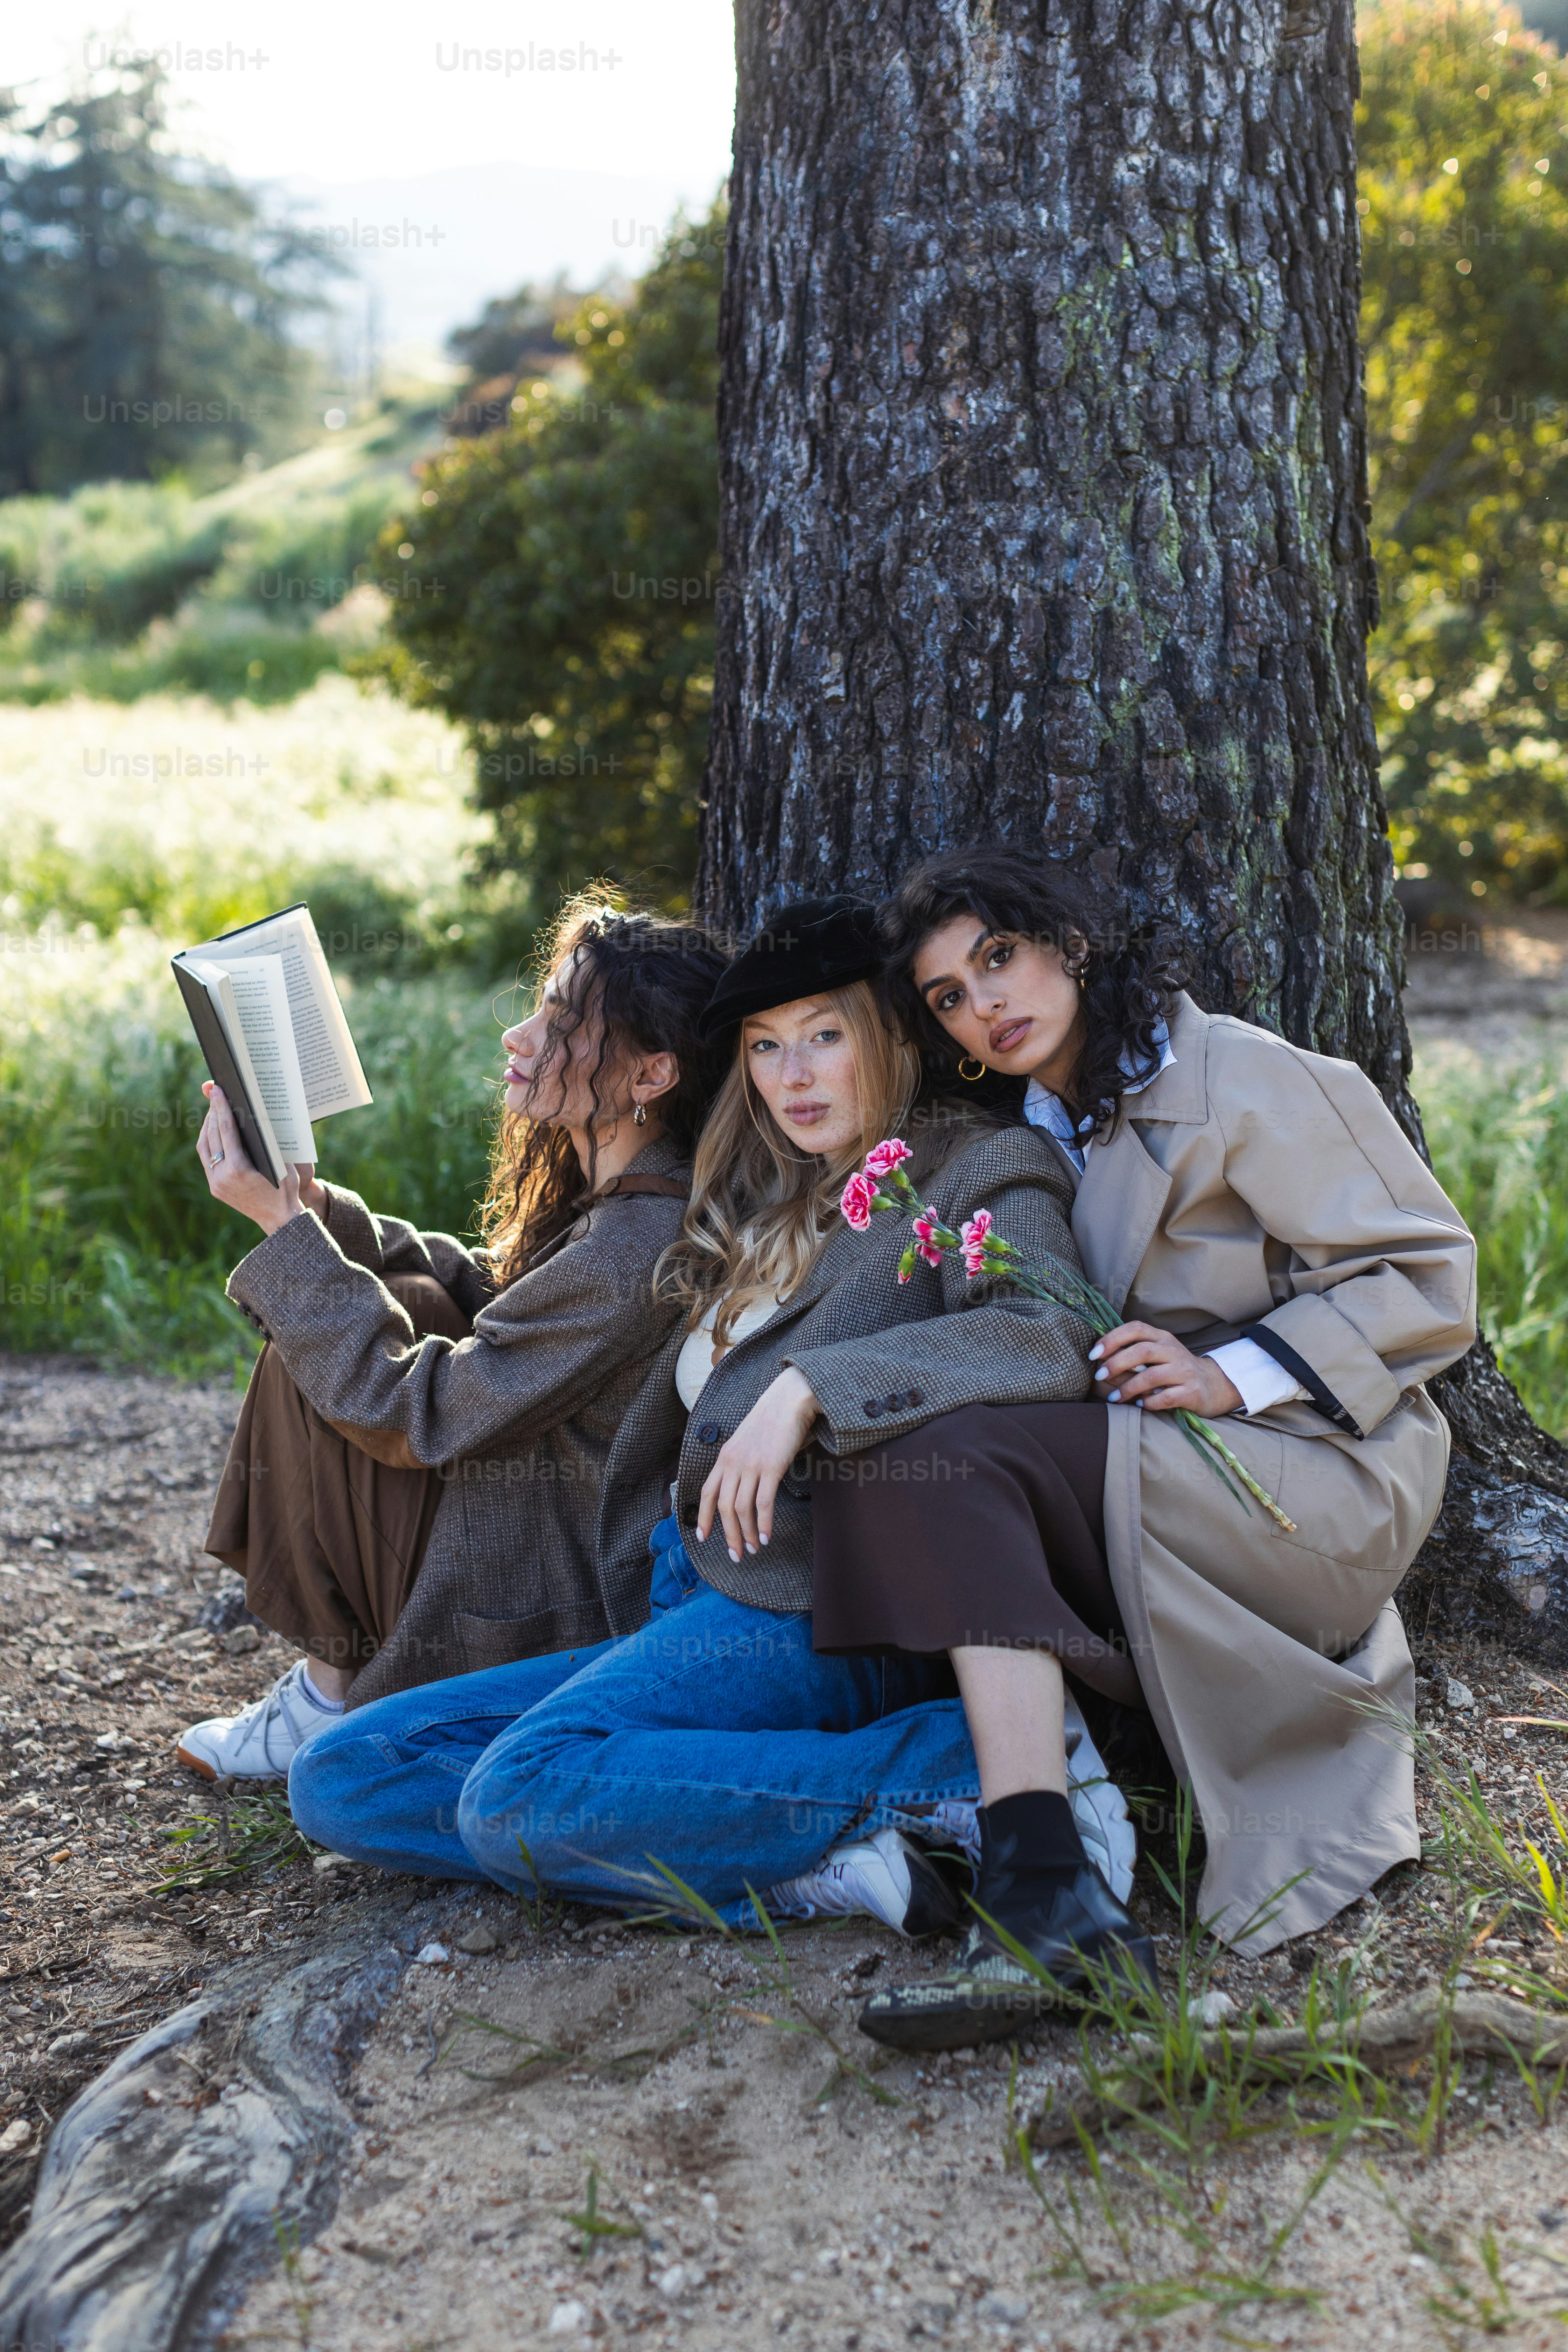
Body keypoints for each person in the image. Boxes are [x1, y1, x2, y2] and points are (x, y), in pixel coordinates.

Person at [285, 896, 1121, 1947]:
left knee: (511, 1797)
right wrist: (320, 1219)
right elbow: (545, 1293)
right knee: (345, 1774)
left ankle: (960, 1770)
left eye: (824, 1037)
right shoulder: (758, 1193)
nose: (794, 1075)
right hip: (680, 1598)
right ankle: (816, 1857)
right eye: (765, 1047)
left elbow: (1044, 1335)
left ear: (892, 1036)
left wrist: (810, 1387)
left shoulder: (976, 1168)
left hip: (816, 1603)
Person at [810, 845, 1477, 2050]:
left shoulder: (1237, 1075)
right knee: (903, 1464)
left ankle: (1045, 1887)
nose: (985, 1003)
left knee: (954, 1462)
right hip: (1156, 1473)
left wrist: (1233, 1371)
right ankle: (1045, 1874)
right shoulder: (1033, 1130)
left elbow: (1427, 1277)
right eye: (950, 994)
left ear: (1071, 944)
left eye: (1000, 957)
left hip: (1314, 1477)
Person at [175, 895, 730, 1781]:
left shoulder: (636, 1250)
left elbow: (416, 1413)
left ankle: (329, 1692)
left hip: (549, 1601)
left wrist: (285, 1234)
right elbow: (495, 1296)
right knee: (411, 1296)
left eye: (561, 1022)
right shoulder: (632, 1196)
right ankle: (327, 1685)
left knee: (309, 1352)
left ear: (652, 1074)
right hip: (526, 1523)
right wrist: (313, 1211)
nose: (520, 1037)